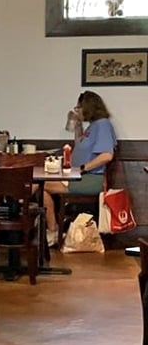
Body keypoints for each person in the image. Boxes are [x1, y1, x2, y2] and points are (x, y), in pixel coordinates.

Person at [43, 90, 116, 247]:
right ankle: (50, 228)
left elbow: (107, 155)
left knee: (42, 186)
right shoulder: (92, 127)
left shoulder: (102, 125)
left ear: (88, 107)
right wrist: (77, 126)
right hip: (78, 176)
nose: (77, 110)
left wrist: (83, 168)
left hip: (91, 179)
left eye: (79, 107)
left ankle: (51, 230)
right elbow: (80, 144)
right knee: (38, 185)